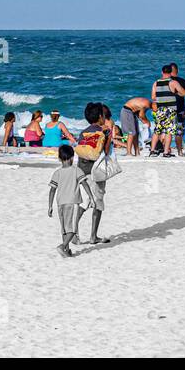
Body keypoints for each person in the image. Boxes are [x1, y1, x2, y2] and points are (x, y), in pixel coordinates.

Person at [73, 102, 114, 245]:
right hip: (96, 172)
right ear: (100, 117)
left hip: (81, 171)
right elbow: (106, 152)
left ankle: (73, 232)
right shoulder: (103, 132)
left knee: (84, 203)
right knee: (98, 203)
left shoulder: (83, 132)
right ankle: (93, 236)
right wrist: (109, 136)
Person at [48, 143, 89, 258]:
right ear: (72, 157)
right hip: (73, 202)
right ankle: (63, 245)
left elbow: (52, 190)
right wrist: (91, 197)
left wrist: (50, 206)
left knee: (65, 228)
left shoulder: (57, 173)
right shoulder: (76, 170)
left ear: (59, 158)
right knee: (73, 228)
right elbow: (84, 184)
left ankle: (66, 250)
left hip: (60, 203)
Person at [150, 64, 182, 157]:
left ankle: (152, 151)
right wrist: (175, 92)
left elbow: (153, 97)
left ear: (162, 72)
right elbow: (183, 93)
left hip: (160, 110)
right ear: (171, 73)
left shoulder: (156, 82)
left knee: (157, 131)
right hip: (171, 110)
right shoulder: (173, 82)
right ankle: (165, 152)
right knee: (169, 131)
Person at [170, 63, 185, 156]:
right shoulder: (182, 81)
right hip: (180, 110)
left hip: (167, 111)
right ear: (177, 71)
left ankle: (165, 150)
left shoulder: (164, 82)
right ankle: (179, 151)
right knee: (179, 131)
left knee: (165, 130)